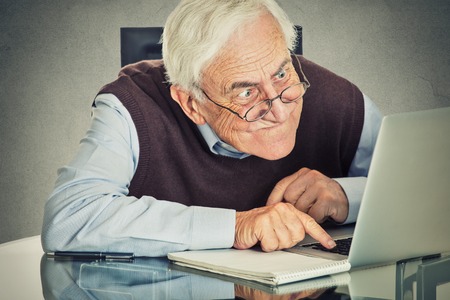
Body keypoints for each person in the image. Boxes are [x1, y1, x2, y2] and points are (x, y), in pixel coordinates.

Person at [41, 0, 382, 257]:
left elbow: (430, 192)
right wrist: (234, 226)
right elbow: (70, 218)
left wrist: (348, 195)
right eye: (246, 92)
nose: (279, 109)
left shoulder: (338, 98)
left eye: (281, 73)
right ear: (191, 103)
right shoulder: (131, 106)